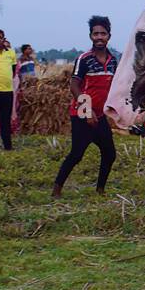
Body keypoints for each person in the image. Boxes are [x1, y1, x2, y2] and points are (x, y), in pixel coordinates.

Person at [52, 16, 119, 196]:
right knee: (77, 154)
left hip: (100, 115)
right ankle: (56, 190)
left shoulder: (113, 60)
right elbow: (74, 86)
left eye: (103, 34)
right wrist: (87, 111)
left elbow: (113, 87)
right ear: (90, 36)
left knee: (109, 153)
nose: (99, 37)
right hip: (82, 113)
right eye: (95, 33)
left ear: (109, 36)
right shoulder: (84, 59)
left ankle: (100, 190)